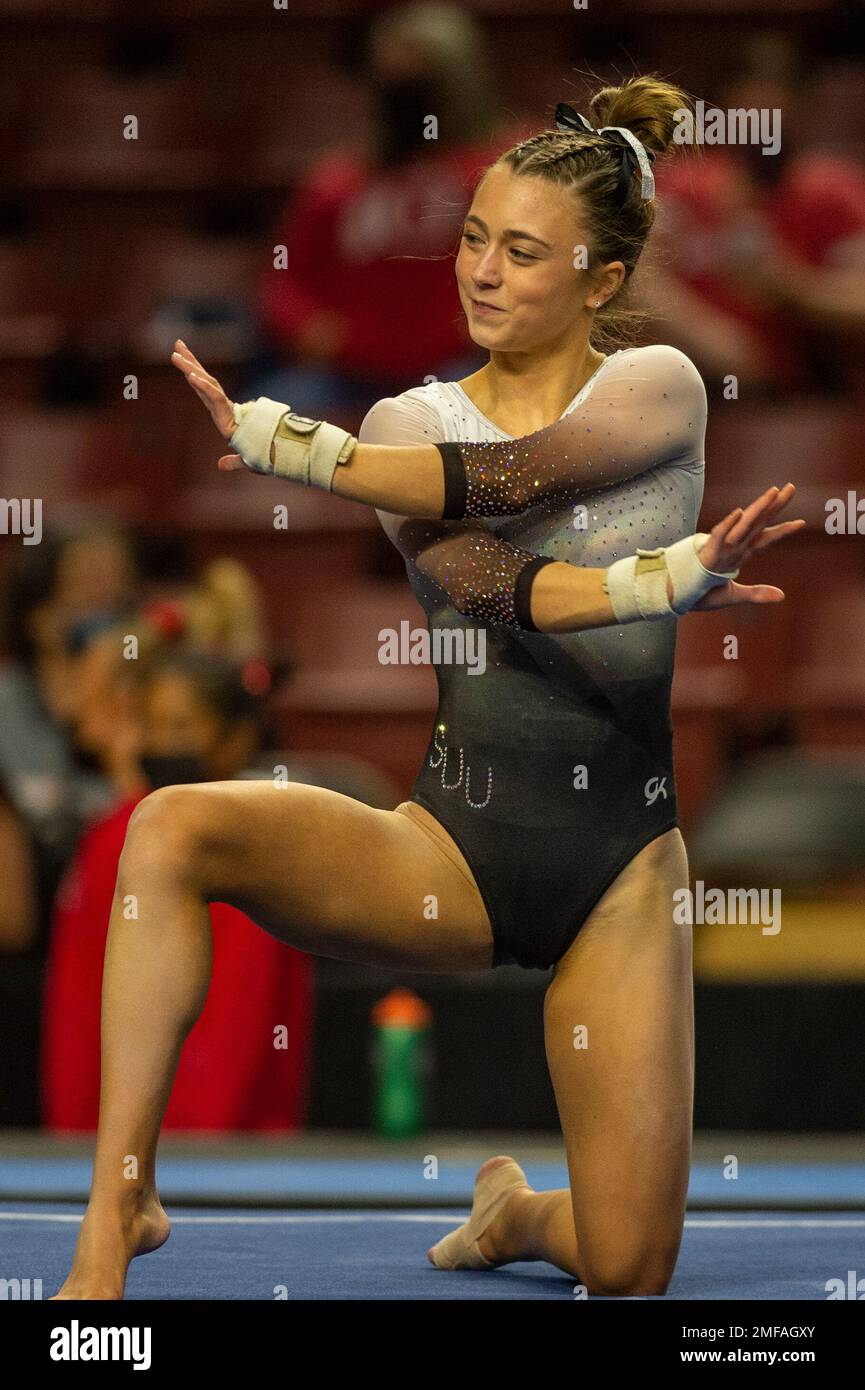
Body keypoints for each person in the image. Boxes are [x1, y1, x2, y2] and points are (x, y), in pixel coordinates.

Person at [54, 75, 804, 1300]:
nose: (483, 272)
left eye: (521, 252)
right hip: (452, 849)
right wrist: (657, 581)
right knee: (169, 826)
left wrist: (289, 443)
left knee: (630, 1269)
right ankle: (117, 1200)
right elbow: (507, 582)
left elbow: (524, 471)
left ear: (599, 282)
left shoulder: (656, 384)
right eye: (471, 240)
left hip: (619, 865)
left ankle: (511, 1213)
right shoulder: (413, 420)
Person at [42, 645, 313, 1133]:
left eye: (182, 728)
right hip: (109, 1150)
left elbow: (244, 1020)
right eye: (151, 727)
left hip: (236, 1156)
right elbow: (77, 1008)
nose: (164, 745)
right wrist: (79, 1138)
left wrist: (204, 1147)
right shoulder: (108, 843)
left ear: (237, 740)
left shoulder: (265, 844)